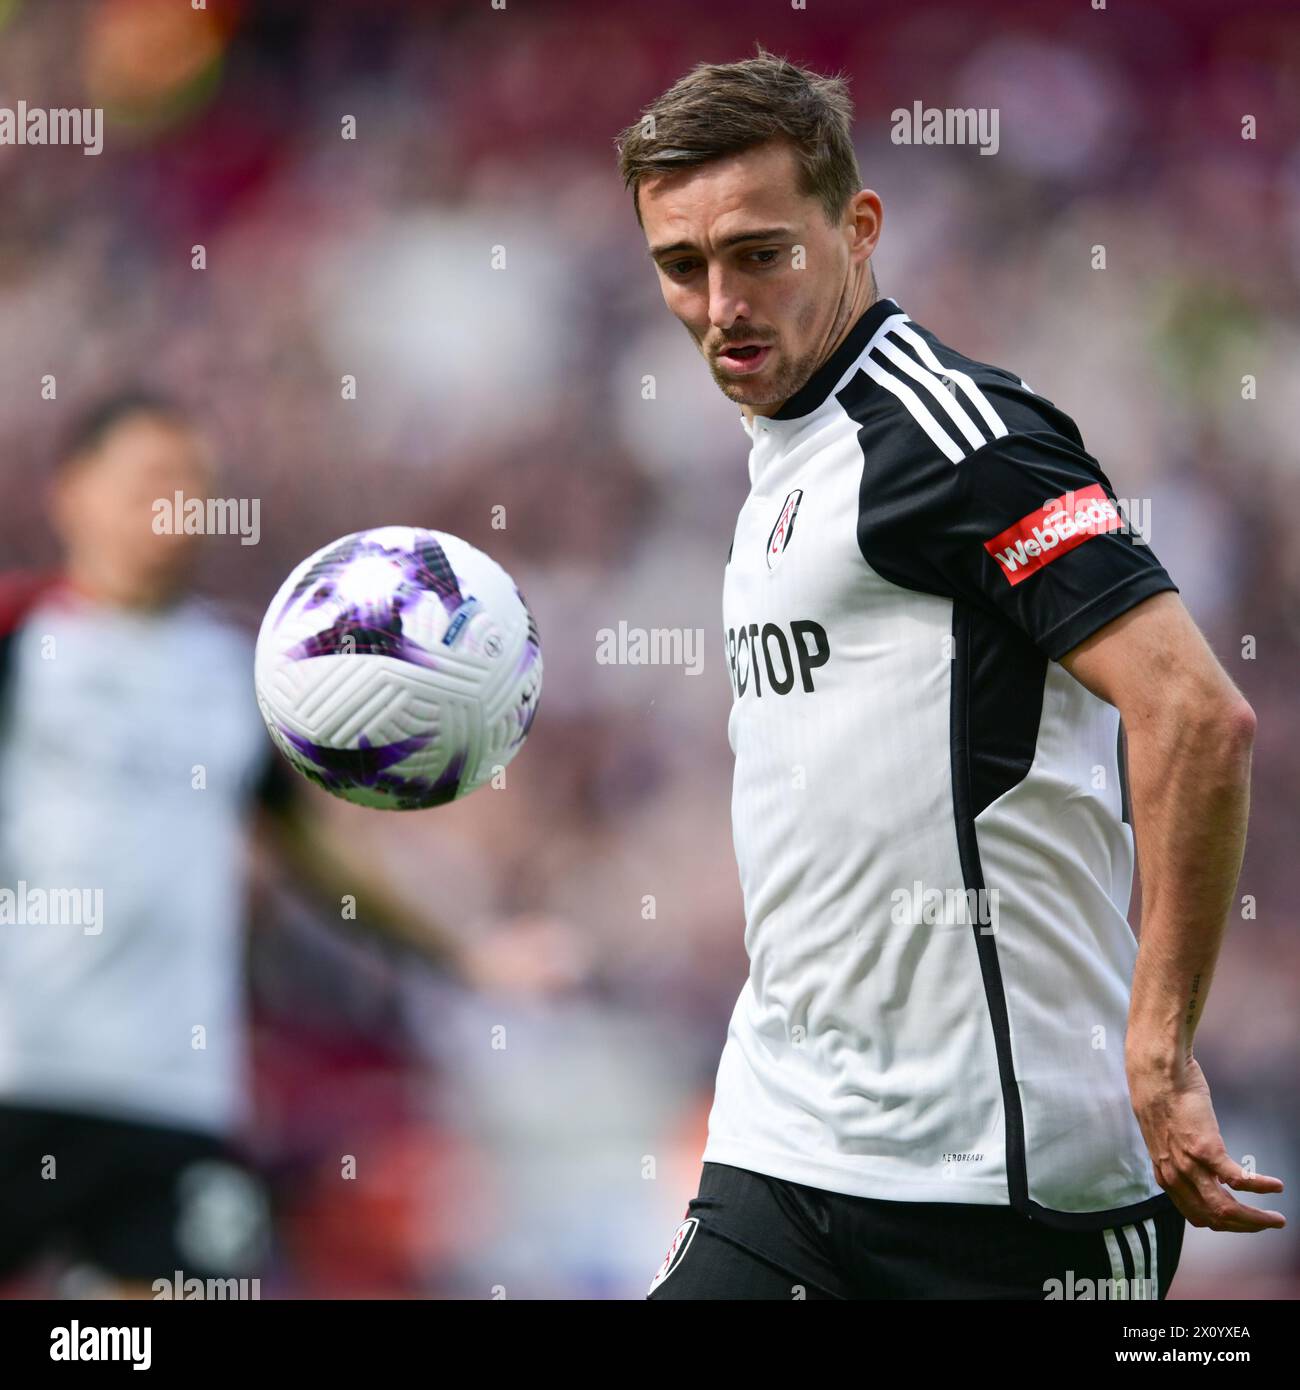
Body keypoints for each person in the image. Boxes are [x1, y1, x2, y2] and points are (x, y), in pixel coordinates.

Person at [617, 50, 1283, 1300]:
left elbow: (1196, 713)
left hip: (1005, 1181)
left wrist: (1160, 1039)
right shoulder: (787, 455)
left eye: (761, 252)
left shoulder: (957, 440)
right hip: (785, 1140)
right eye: (682, 266)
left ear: (857, 228)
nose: (721, 305)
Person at [0, 392, 576, 1297]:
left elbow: (318, 853)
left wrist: (466, 955)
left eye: (195, 485)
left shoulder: (242, 673)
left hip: (175, 1087)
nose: (180, 507)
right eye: (153, 479)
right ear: (72, 492)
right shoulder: (21, 638)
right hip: (18, 1067)